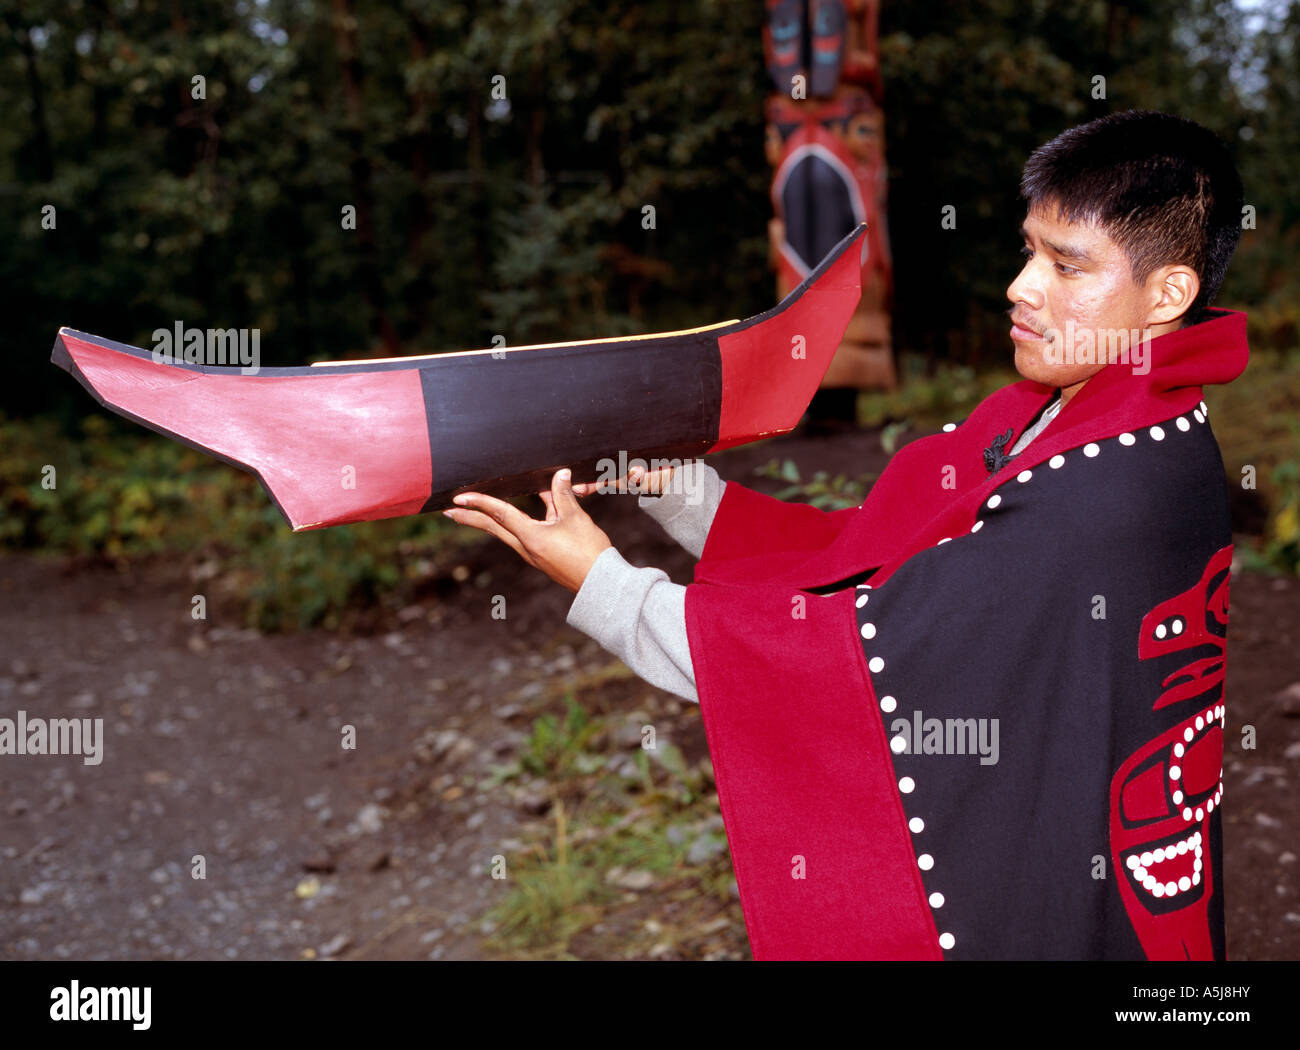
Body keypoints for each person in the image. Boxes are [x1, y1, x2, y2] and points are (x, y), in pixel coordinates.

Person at [442, 109, 1247, 961]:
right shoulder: (1095, 414)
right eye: (1028, 252)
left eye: (1065, 265)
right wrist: (684, 495)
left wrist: (601, 582)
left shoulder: (1101, 493)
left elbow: (850, 664)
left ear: (1168, 294)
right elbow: (883, 552)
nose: (1021, 286)